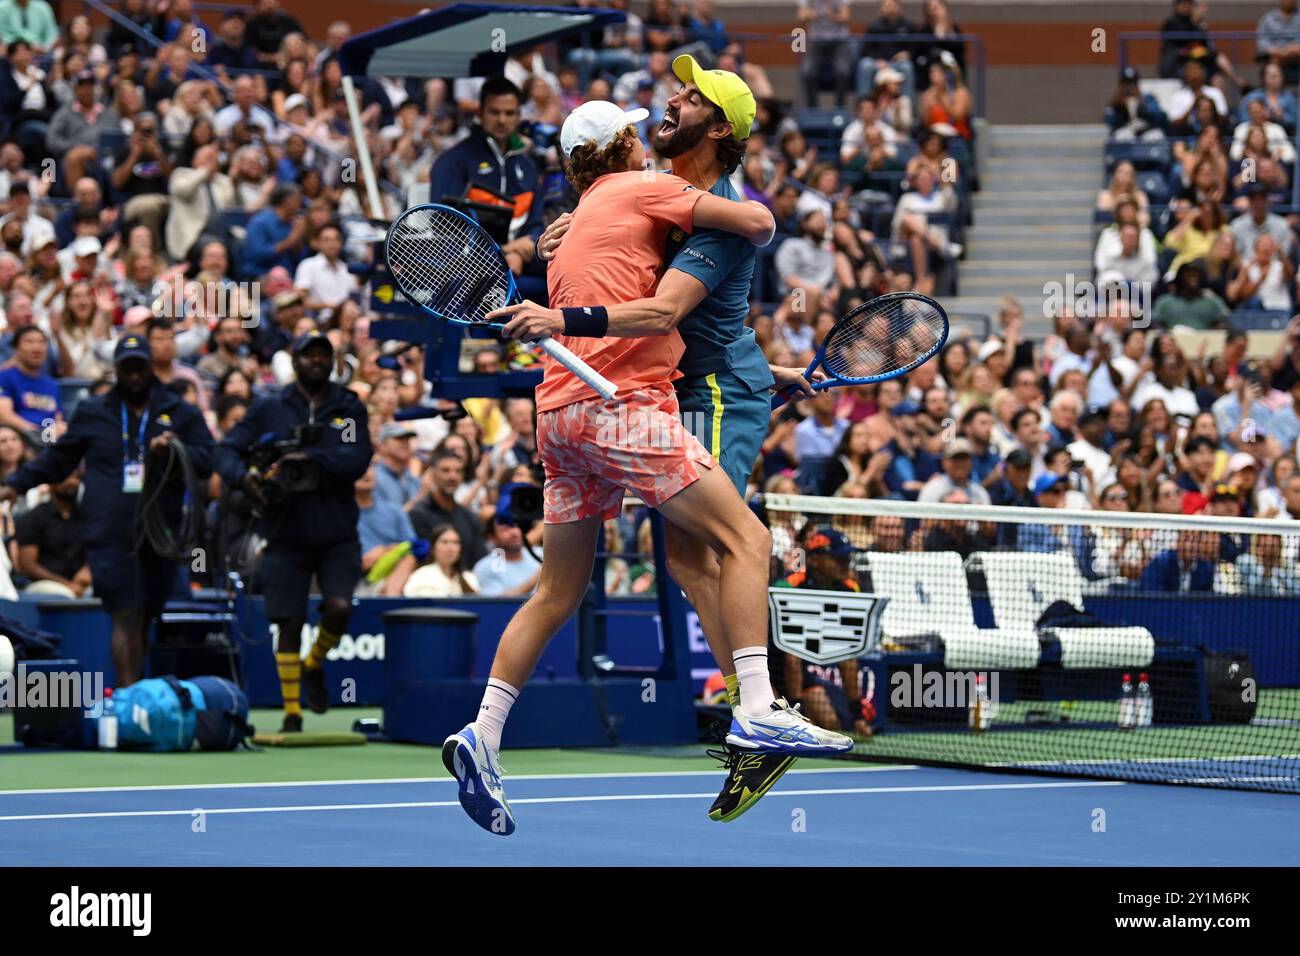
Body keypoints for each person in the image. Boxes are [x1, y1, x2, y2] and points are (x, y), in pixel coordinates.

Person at [440, 99, 848, 837]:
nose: (650, 132)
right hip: (621, 409)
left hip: (559, 419)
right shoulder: (640, 187)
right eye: (636, 132)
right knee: (746, 542)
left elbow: (638, 295)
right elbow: (755, 226)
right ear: (625, 147)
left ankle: (483, 733)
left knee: (556, 592)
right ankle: (757, 711)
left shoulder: (571, 232)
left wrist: (762, 369)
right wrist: (703, 203)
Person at [0, 334, 214, 684]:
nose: (133, 375)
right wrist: (16, 483)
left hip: (160, 530)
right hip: (111, 529)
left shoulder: (178, 410)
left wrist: (174, 450)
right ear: (116, 369)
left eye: (139, 367)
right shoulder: (93, 410)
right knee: (125, 613)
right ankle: (131, 700)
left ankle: (139, 697)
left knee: (145, 615)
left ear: (150, 368)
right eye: (126, 367)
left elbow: (207, 459)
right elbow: (59, 458)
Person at [216, 330, 371, 732]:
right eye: (308, 354)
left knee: (338, 607)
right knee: (288, 622)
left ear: (332, 360)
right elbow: (227, 450)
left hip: (336, 528)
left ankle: (314, 664)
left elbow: (356, 457)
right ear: (295, 360)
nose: (316, 360)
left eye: (323, 354)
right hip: (284, 527)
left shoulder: (348, 407)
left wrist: (311, 459)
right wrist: (246, 478)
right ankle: (292, 713)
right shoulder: (269, 407)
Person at [427, 77, 544, 281]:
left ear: (519, 116)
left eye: (509, 113)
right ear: (479, 112)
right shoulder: (453, 161)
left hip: (522, 260)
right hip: (468, 266)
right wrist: (504, 251)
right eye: (494, 112)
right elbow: (444, 226)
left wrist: (519, 253)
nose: (502, 120)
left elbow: (535, 224)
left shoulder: (527, 165)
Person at [772, 526, 874, 736]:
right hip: (772, 667)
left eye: (846, 558)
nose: (845, 564)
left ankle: (857, 719)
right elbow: (789, 652)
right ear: (816, 560)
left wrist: (858, 716)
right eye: (838, 559)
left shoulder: (849, 587)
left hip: (803, 674)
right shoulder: (788, 586)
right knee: (793, 656)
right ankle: (793, 718)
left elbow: (847, 654)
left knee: (830, 723)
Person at [14, 470, 89, 598]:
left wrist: (88, 569)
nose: (72, 482)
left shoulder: (87, 517)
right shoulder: (33, 518)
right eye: (65, 477)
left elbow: (98, 548)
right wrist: (66, 584)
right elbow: (27, 565)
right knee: (64, 595)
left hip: (82, 584)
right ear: (50, 483)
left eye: (76, 478)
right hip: (43, 584)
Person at [0, 326, 60, 438]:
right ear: (16, 348)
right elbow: (4, 416)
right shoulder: (4, 377)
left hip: (49, 441)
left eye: (42, 342)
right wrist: (38, 434)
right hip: (20, 440)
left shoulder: (52, 384)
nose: (37, 348)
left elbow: (58, 418)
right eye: (29, 341)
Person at [472, 514, 542, 597]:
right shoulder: (485, 567)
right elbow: (496, 603)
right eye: (505, 529)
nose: (514, 532)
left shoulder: (540, 553)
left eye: (515, 526)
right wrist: (536, 579)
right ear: (492, 537)